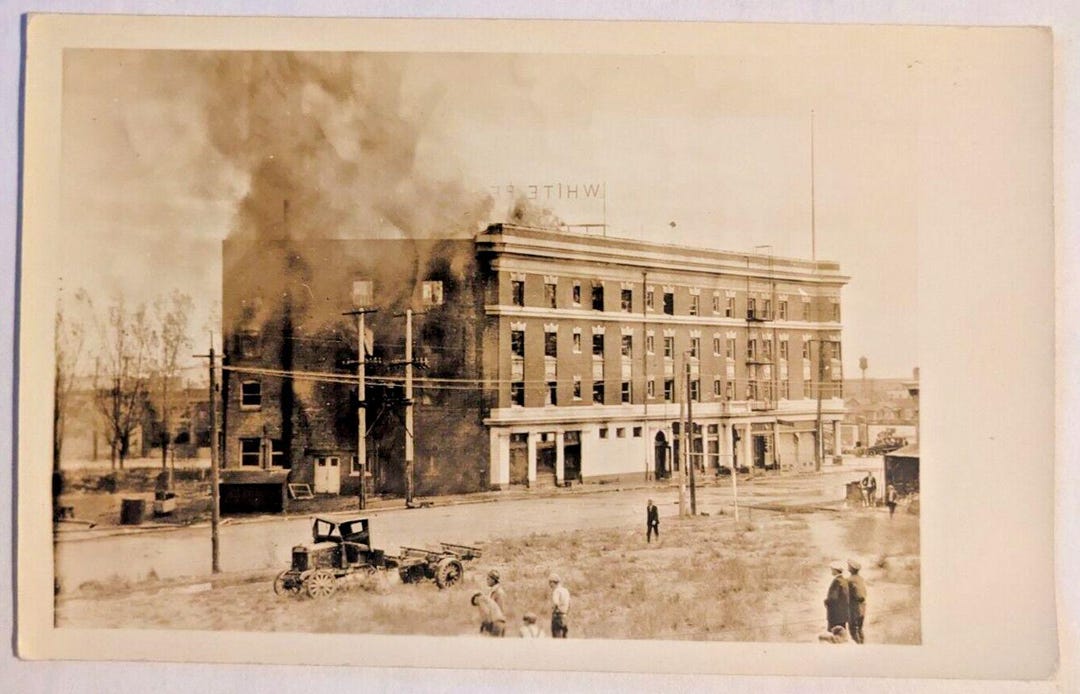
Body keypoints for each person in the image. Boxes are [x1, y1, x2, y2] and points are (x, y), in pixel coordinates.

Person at [824, 561, 850, 632]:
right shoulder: (844, 580)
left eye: (832, 569)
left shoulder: (836, 581)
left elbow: (833, 598)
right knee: (842, 635)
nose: (831, 571)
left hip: (835, 615)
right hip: (842, 615)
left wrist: (826, 601)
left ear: (836, 570)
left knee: (833, 635)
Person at [847, 560, 867, 644]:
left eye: (849, 566)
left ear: (851, 569)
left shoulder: (849, 580)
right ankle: (862, 645)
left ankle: (858, 646)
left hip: (854, 608)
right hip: (862, 608)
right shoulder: (861, 579)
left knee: (853, 629)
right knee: (860, 629)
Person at [549, 573, 571, 638]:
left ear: (553, 582)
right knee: (564, 637)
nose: (550, 585)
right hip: (565, 616)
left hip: (557, 616)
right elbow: (569, 603)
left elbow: (556, 603)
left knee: (556, 637)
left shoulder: (556, 591)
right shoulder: (565, 590)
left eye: (550, 583)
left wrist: (555, 610)